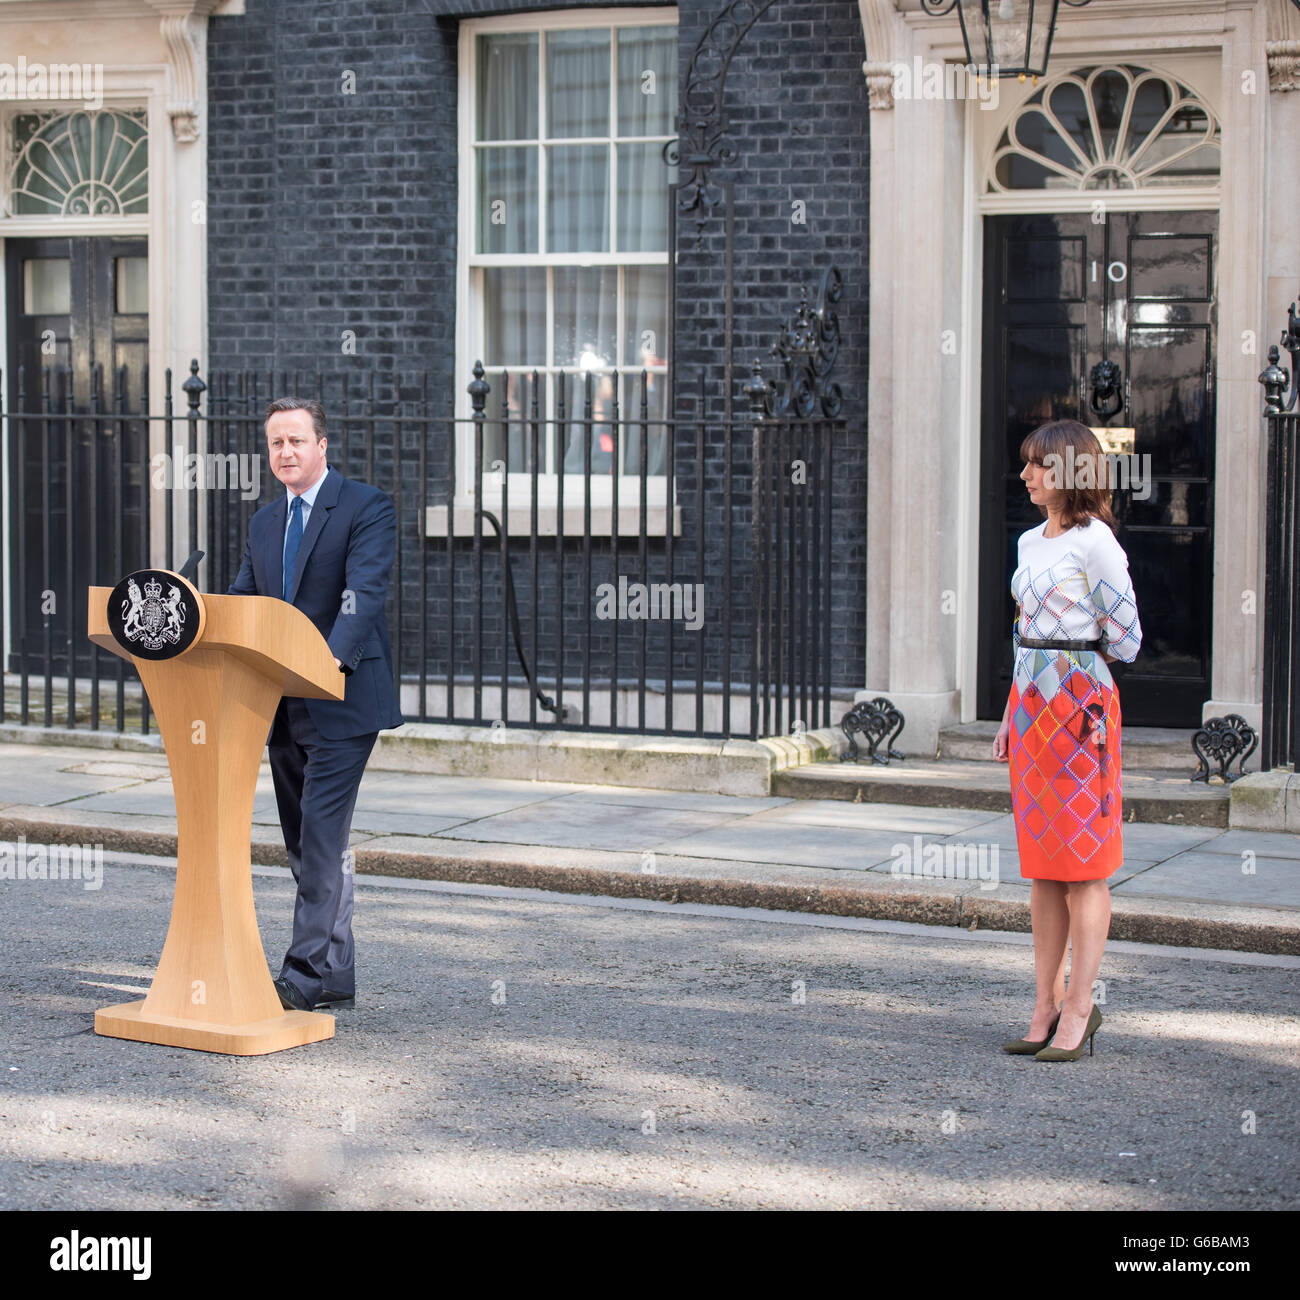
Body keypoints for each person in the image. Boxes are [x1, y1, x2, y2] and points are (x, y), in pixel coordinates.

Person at [228, 397, 403, 1013]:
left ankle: (301, 977)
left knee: (323, 840)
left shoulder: (365, 506)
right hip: (282, 705)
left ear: (322, 445)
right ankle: (335, 973)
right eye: (276, 443)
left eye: (296, 441)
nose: (286, 453)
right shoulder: (263, 524)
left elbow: (364, 592)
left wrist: (327, 661)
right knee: (304, 843)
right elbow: (245, 606)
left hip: (342, 698)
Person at [993, 419, 1142, 1061]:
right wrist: (1007, 711)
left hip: (1081, 714)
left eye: (1040, 466)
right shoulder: (1029, 543)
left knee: (1083, 868)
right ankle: (1044, 1003)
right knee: (1043, 870)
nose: (1026, 475)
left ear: (1075, 472)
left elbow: (1129, 638)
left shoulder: (1097, 543)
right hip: (1029, 713)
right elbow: (1024, 631)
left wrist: (1075, 664)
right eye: (1026, 465)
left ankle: (1082, 1007)